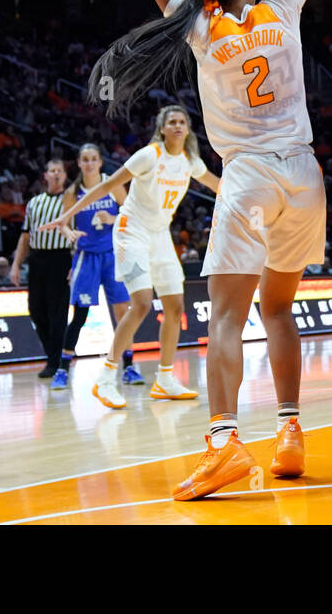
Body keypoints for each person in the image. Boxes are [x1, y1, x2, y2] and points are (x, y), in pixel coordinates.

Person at [62, 0, 332, 501]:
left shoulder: (200, 28)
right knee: (278, 312)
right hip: (304, 175)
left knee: (231, 319)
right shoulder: (286, 4)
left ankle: (224, 444)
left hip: (249, 179)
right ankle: (291, 433)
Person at [44, 109, 217, 403]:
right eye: (171, 122)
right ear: (162, 128)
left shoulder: (190, 161)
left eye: (182, 122)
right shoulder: (149, 155)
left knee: (175, 306)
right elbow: (106, 187)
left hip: (160, 234)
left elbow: (218, 185)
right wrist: (67, 216)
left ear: (188, 130)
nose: (177, 126)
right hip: (130, 231)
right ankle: (106, 377)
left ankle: (164, 379)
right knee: (141, 304)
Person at [51, 143, 136, 391]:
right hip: (86, 256)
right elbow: (63, 223)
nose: (89, 163)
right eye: (84, 159)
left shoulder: (112, 184)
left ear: (100, 162)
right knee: (79, 315)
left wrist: (114, 218)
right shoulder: (73, 191)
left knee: (122, 313)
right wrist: (69, 232)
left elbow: (132, 212)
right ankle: (63, 369)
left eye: (93, 159)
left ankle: (129, 366)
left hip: (113, 255)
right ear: (79, 163)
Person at [10, 159, 75, 378]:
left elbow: (78, 237)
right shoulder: (34, 202)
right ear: (45, 175)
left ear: (65, 176)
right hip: (37, 259)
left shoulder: (72, 201)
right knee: (36, 310)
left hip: (62, 258)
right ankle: (53, 356)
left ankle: (54, 361)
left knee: (58, 313)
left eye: (60, 171)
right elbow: (25, 236)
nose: (56, 174)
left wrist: (75, 264)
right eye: (52, 171)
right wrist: (16, 265)